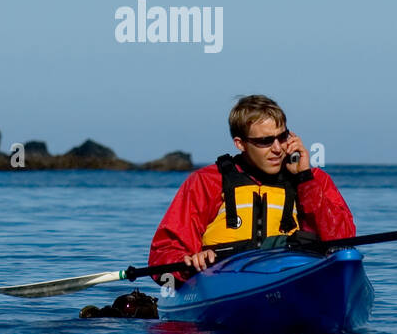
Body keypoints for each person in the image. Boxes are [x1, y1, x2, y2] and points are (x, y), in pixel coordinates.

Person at [148, 95, 356, 285]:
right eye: (265, 141)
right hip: (225, 280)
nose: (277, 148)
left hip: (292, 277)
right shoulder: (205, 181)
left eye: (282, 137)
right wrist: (189, 263)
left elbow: (342, 241)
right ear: (240, 143)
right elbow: (163, 253)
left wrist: (304, 179)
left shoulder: (313, 180)